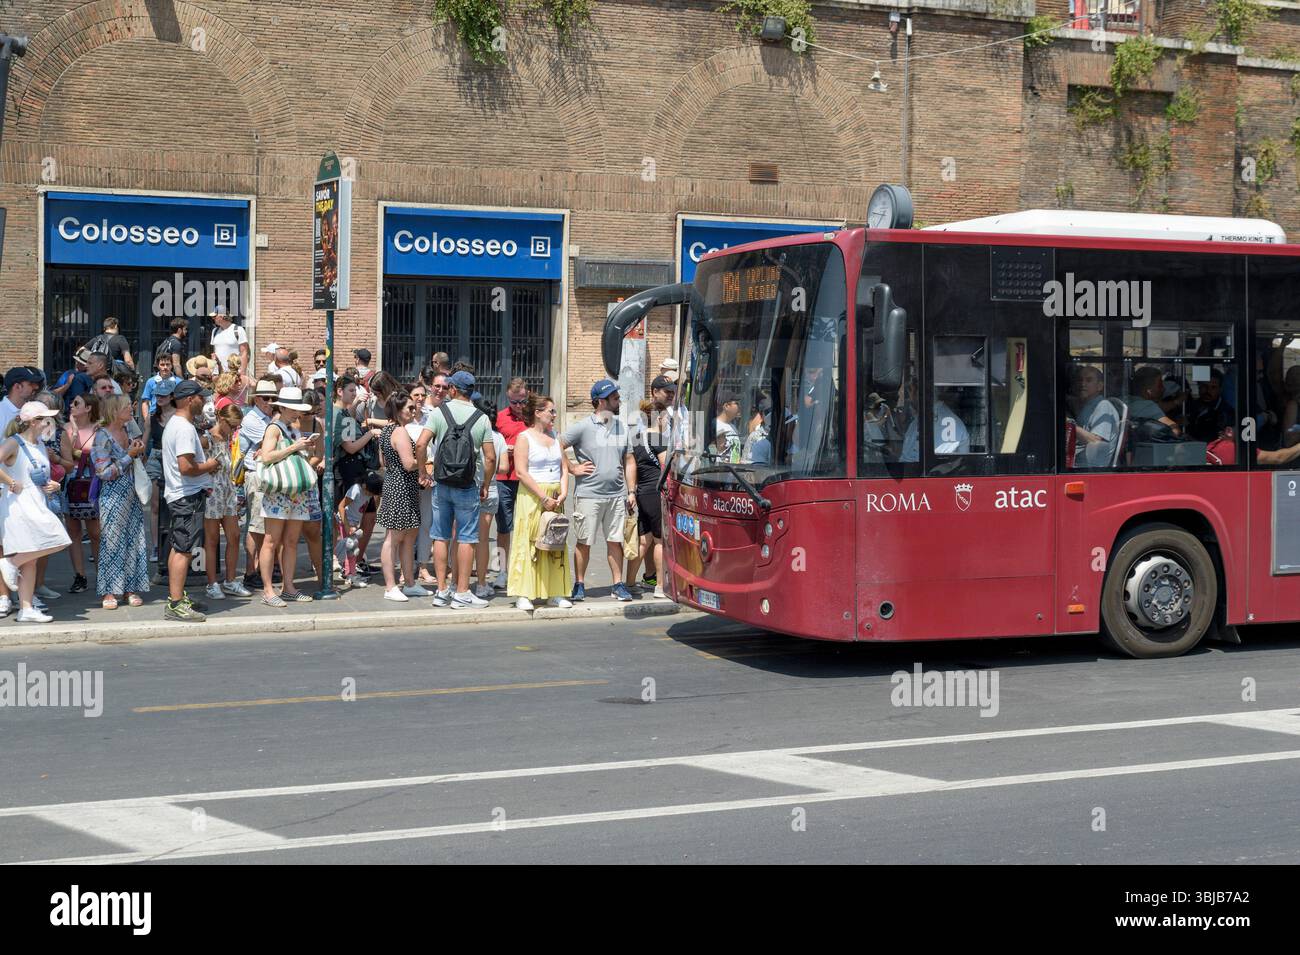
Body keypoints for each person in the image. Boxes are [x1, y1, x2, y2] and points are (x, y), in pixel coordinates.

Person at [417, 370, 496, 609]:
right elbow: (490, 458)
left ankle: (441, 591)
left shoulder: (440, 413)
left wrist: (423, 472)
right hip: (467, 485)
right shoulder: (481, 418)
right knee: (467, 538)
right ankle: (462, 591)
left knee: (440, 536)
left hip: (441, 484)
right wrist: (485, 483)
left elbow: (421, 444)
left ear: (453, 389)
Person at [561, 379, 636, 602]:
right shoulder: (583, 426)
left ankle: (617, 584)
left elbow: (629, 459)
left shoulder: (621, 426)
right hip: (588, 495)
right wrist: (573, 468)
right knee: (584, 541)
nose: (618, 401)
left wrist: (631, 491)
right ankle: (579, 584)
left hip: (617, 495)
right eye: (614, 398)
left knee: (616, 541)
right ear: (601, 401)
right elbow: (556, 444)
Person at [0, 402, 73, 621]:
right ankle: (10, 563)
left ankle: (26, 608)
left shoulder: (40, 444)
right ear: (33, 422)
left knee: (31, 558)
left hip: (36, 501)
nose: (48, 422)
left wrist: (53, 484)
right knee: (59, 538)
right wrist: (11, 482)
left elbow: (38, 474)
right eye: (44, 418)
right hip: (19, 505)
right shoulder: (14, 442)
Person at [162, 380, 220, 621]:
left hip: (183, 495)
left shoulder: (177, 424)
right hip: (186, 496)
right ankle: (176, 604)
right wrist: (211, 465)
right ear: (188, 400)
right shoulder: (184, 428)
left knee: (180, 546)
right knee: (184, 549)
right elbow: (186, 467)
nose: (204, 401)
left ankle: (176, 596)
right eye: (200, 397)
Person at [507, 394, 572, 611]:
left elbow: (564, 467)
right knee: (529, 542)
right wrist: (543, 497)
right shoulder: (524, 438)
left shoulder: (556, 436)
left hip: (554, 495)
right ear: (538, 413)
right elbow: (521, 472)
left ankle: (555, 592)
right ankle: (524, 593)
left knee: (554, 542)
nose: (554, 415)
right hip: (533, 496)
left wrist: (563, 492)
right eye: (551, 411)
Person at [257, 387, 316, 607]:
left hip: (295, 492)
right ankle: (268, 589)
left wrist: (303, 447)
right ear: (281, 407)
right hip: (279, 492)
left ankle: (288, 586)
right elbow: (266, 456)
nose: (296, 413)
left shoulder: (294, 427)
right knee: (271, 541)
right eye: (292, 409)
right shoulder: (274, 428)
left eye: (297, 409)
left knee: (291, 541)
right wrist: (295, 447)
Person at [90, 395, 150, 611]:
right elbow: (103, 472)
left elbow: (136, 460)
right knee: (112, 542)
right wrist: (128, 456)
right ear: (114, 411)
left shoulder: (128, 430)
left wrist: (137, 451)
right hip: (112, 496)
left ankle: (129, 588)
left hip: (131, 493)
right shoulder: (102, 436)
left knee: (134, 539)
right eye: (126, 406)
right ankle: (109, 590)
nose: (130, 408)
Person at [377, 390, 427, 602]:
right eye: (409, 407)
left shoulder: (388, 431)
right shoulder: (399, 432)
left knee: (407, 537)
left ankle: (409, 583)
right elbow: (409, 464)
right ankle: (391, 586)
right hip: (401, 487)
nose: (413, 410)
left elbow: (382, 462)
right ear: (398, 410)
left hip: (397, 484)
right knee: (395, 537)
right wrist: (426, 463)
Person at [203, 404, 252, 600]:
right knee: (212, 539)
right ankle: (212, 583)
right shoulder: (207, 438)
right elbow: (193, 462)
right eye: (233, 426)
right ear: (222, 420)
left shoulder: (228, 437)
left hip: (228, 489)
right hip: (212, 490)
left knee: (234, 535)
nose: (235, 430)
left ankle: (230, 580)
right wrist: (207, 467)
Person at [240, 377, 281, 591]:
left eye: (273, 398)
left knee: (265, 525)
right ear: (256, 399)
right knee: (255, 525)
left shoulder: (270, 418)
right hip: (256, 474)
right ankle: (249, 571)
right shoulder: (252, 419)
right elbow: (274, 442)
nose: (270, 402)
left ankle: (262, 567)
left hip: (268, 474)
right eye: (266, 398)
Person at [627, 399, 668, 598]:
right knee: (660, 541)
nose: (668, 421)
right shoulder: (659, 439)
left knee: (644, 540)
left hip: (642, 492)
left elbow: (631, 466)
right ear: (659, 418)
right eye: (667, 417)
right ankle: (660, 586)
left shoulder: (636, 438)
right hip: (656, 492)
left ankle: (628, 582)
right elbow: (665, 469)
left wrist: (632, 491)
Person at [62, 391, 101, 594]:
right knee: (74, 531)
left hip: (94, 482)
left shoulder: (99, 429)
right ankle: (80, 575)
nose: (72, 405)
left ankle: (101, 575)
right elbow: (67, 463)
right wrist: (74, 432)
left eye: (76, 403)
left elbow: (101, 455)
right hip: (74, 483)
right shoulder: (67, 430)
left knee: (95, 532)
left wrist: (81, 454)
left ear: (88, 408)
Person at [493, 378, 529, 591]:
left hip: (527, 479)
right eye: (514, 402)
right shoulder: (499, 419)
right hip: (504, 480)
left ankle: (523, 569)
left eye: (522, 401)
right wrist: (504, 449)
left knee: (527, 527)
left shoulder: (535, 418)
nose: (518, 406)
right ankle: (501, 570)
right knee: (504, 527)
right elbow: (491, 446)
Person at [472, 398, 509, 600]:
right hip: (492, 488)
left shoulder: (473, 434)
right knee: (484, 539)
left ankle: (454, 583)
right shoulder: (498, 438)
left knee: (465, 537)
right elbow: (503, 468)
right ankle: (481, 582)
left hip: (469, 487)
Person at [405, 384, 438, 585]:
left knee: (426, 523)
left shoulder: (431, 419)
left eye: (422, 395)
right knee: (408, 525)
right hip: (408, 478)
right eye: (415, 394)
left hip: (428, 477)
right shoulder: (403, 422)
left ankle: (423, 566)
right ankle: (405, 567)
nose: (419, 398)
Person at [144, 377, 177, 564]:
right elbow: (146, 440)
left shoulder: (179, 416)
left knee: (173, 502)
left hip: (172, 458)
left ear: (172, 396)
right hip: (156, 457)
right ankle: (156, 546)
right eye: (158, 395)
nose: (160, 398)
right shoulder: (152, 417)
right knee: (155, 504)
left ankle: (171, 542)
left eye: (164, 395)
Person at [337, 470, 383, 588]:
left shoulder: (367, 494)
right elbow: (341, 506)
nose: (369, 495)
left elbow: (363, 509)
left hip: (354, 524)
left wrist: (360, 526)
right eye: (369, 492)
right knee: (350, 550)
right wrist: (346, 526)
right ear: (364, 486)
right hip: (346, 522)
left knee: (353, 550)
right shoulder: (356, 490)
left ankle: (351, 573)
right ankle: (349, 575)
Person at [1069, 365, 1121, 468]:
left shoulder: (1103, 406)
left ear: (1100, 386)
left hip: (1089, 467)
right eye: (1080, 380)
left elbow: (1096, 442)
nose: (1082, 384)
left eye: (1088, 380)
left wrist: (1069, 424)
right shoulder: (1087, 405)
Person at [1127, 365, 1182, 437]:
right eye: (1160, 385)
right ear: (1149, 390)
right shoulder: (1148, 406)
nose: (1163, 389)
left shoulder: (1124, 400)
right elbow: (1174, 431)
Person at [1188, 368, 1236, 444]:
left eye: (1213, 387)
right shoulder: (1190, 406)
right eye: (1204, 386)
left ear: (1220, 389)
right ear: (1199, 386)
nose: (1208, 391)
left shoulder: (1226, 412)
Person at [209, 305, 250, 376]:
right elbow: (215, 352)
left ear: (221, 317)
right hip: (218, 374)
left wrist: (242, 373)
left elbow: (244, 353)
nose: (213, 319)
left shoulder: (238, 330)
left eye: (214, 316)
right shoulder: (214, 331)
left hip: (234, 373)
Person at [155, 317, 188, 382]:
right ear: (179, 330)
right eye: (185, 329)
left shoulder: (167, 340)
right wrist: (182, 381)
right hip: (172, 379)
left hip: (163, 376)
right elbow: (176, 364)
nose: (186, 331)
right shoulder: (176, 343)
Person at [714, 393, 742, 460]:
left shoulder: (733, 427)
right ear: (726, 406)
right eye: (736, 403)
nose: (740, 406)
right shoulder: (715, 425)